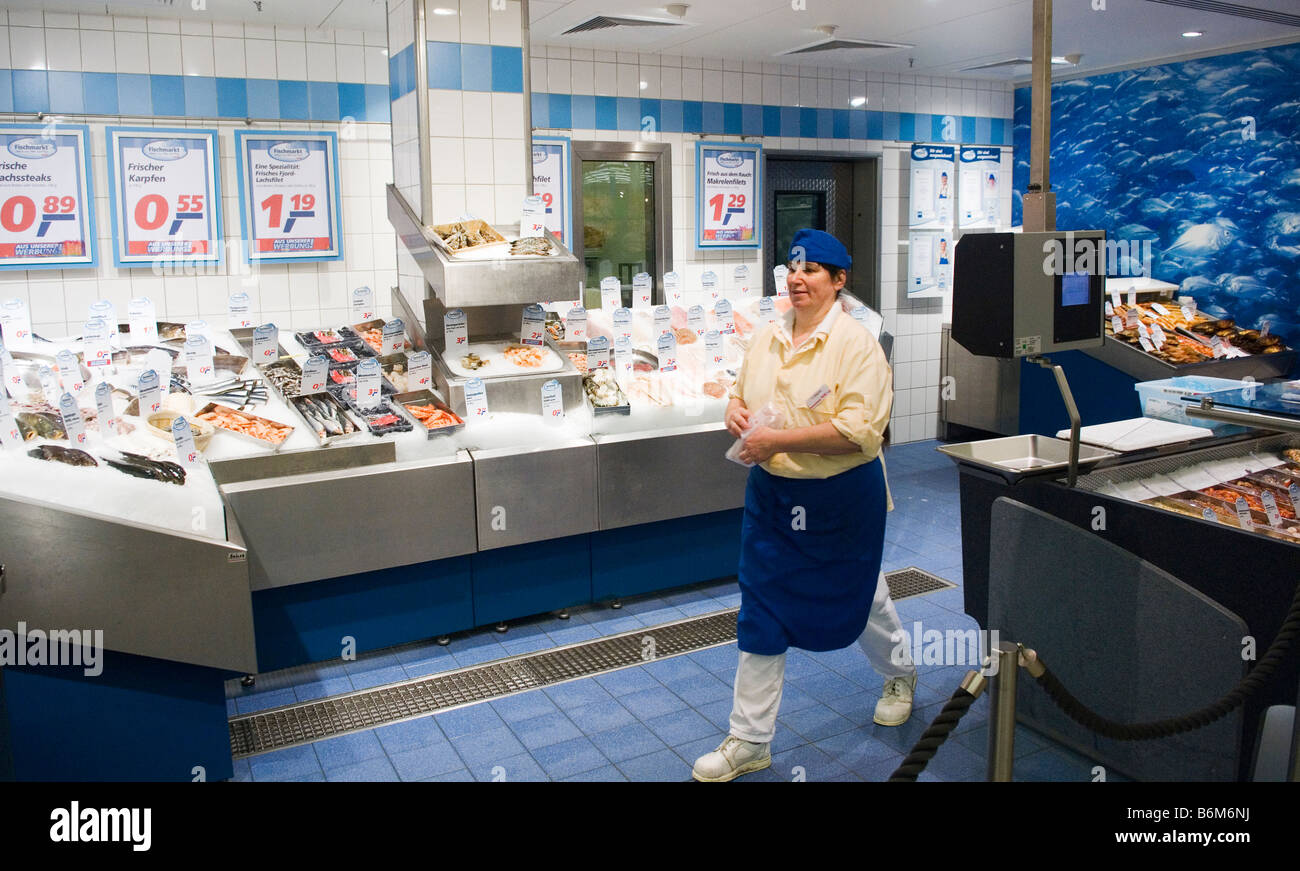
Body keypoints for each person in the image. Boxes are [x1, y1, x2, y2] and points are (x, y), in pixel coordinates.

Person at [692, 229, 916, 783]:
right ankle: (749, 740)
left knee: (859, 594)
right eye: (793, 267)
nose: (798, 278)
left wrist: (779, 442)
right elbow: (742, 393)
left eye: (814, 269)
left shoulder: (856, 346)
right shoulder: (768, 337)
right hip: (774, 495)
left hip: (840, 497)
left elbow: (860, 434)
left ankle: (900, 672)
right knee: (761, 605)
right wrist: (736, 414)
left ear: (840, 283)